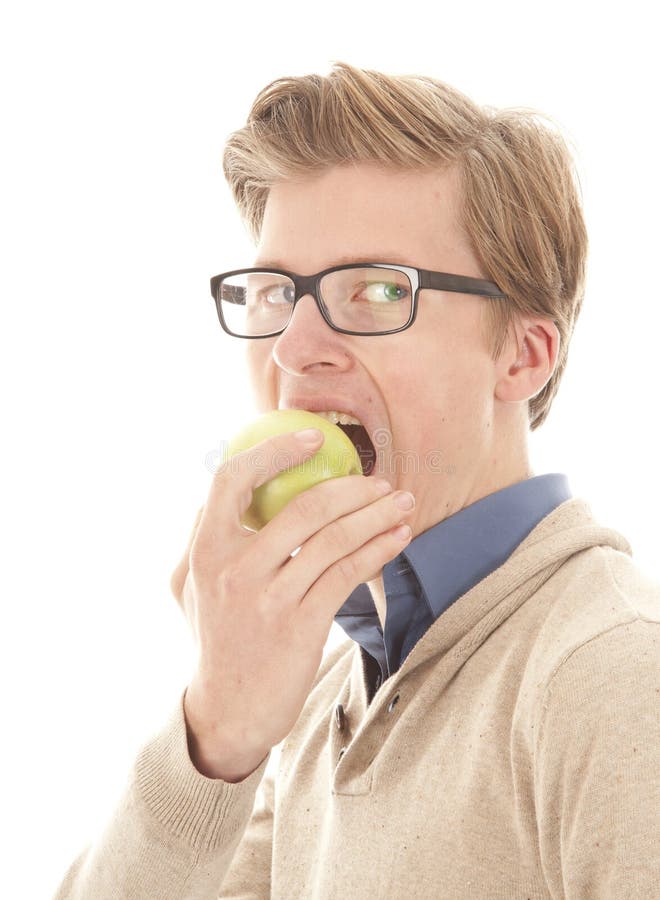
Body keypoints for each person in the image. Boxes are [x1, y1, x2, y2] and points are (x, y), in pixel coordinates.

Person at [56, 62, 659, 899]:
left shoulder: (616, 673)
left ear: (522, 354)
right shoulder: (324, 700)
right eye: (275, 292)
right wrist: (216, 732)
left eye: (376, 290)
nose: (293, 348)